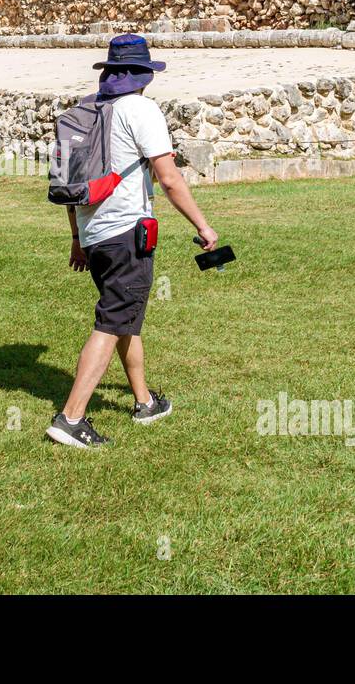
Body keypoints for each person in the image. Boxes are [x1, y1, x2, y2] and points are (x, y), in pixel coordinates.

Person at [46, 33, 220, 448]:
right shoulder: (140, 109)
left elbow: (72, 181)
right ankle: (71, 418)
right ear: (144, 75)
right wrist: (203, 225)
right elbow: (169, 178)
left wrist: (76, 237)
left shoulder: (89, 111)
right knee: (111, 322)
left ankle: (144, 401)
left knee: (125, 317)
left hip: (93, 235)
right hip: (127, 233)